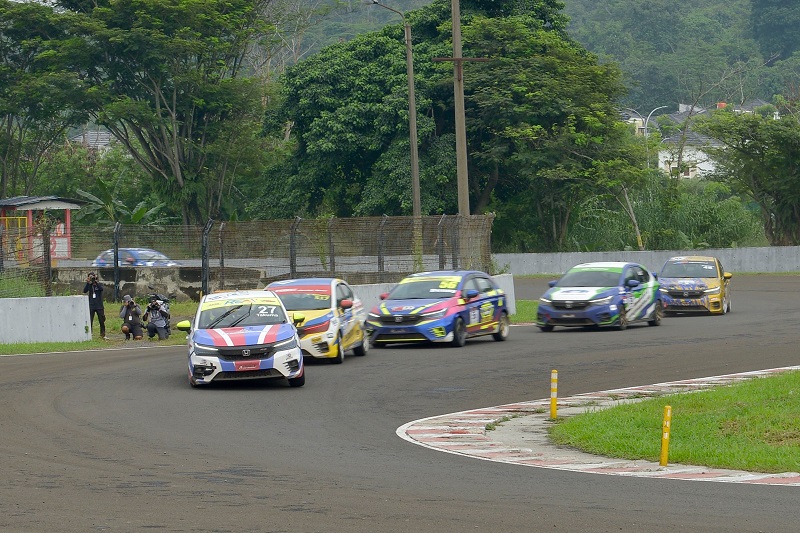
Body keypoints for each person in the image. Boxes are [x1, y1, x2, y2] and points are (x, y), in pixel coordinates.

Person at [83, 272, 107, 339]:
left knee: (101, 320)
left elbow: (101, 289)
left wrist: (95, 282)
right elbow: (84, 291)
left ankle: (102, 334)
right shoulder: (89, 285)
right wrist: (88, 283)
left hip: (99, 305)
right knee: (90, 320)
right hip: (92, 305)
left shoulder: (98, 284)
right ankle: (90, 334)